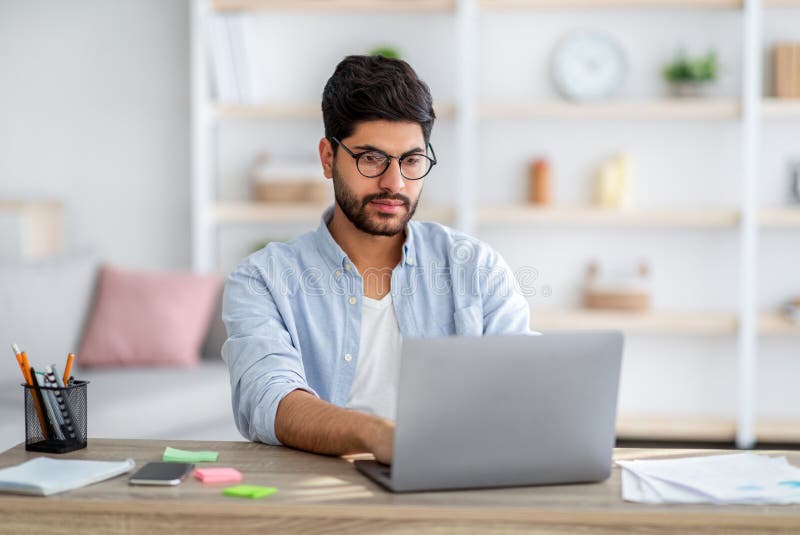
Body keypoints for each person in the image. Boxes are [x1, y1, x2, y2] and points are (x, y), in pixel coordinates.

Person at [222, 55, 530, 464]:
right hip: (319, 495)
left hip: (452, 485)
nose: (394, 182)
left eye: (412, 160)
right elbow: (268, 399)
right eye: (371, 158)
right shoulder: (262, 279)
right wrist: (374, 435)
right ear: (328, 158)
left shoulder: (476, 268)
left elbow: (524, 385)